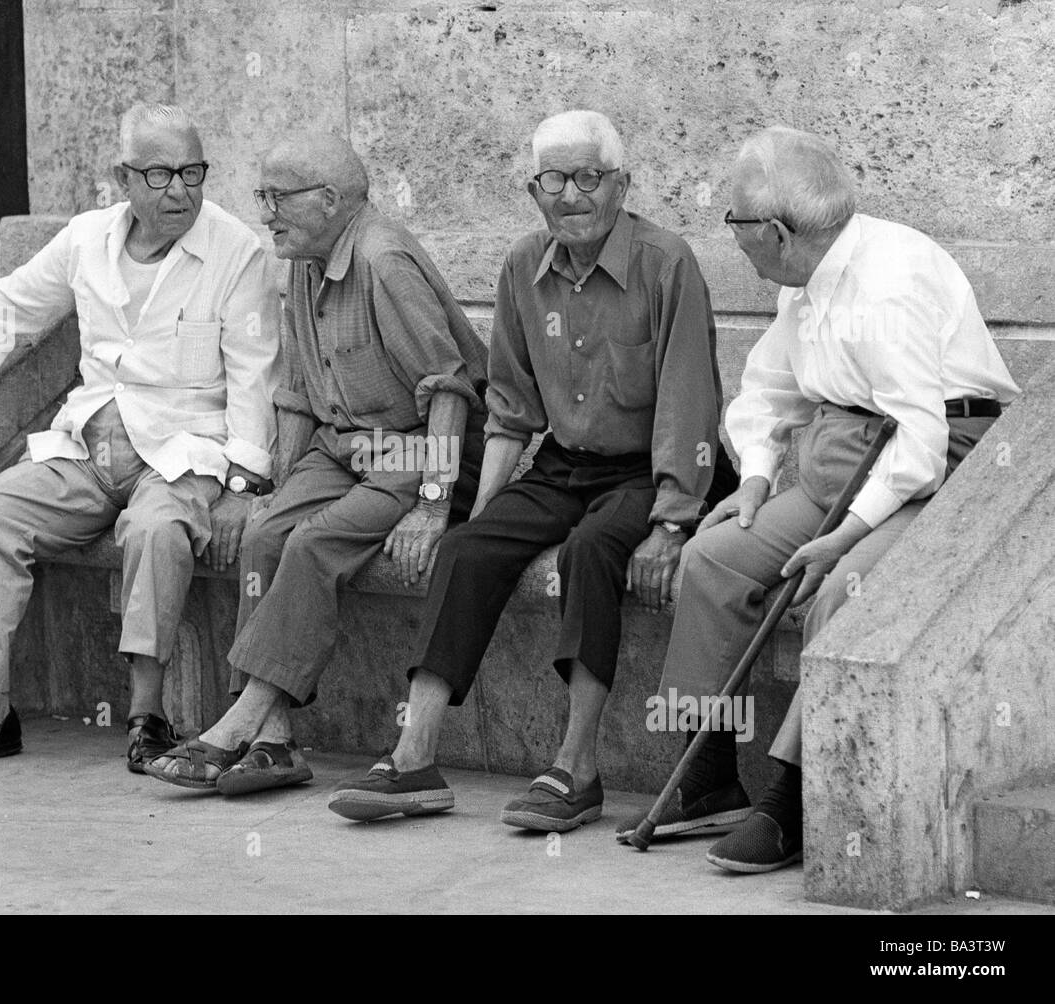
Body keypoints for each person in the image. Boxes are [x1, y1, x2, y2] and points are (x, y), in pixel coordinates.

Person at [616, 125, 1020, 872]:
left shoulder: (886, 285)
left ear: (773, 232)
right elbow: (769, 388)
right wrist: (761, 478)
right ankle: (707, 780)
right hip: (841, 450)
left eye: (734, 221)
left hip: (934, 467)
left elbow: (922, 445)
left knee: (842, 590)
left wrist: (840, 540)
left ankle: (793, 801)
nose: (731, 235)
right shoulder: (806, 276)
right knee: (714, 558)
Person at [330, 110, 735, 830]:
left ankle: (576, 767)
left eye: (590, 177)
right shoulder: (523, 265)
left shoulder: (665, 262)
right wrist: (486, 513)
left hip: (656, 467)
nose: (572, 194)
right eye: (556, 179)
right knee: (466, 547)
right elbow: (512, 411)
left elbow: (688, 405)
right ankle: (414, 756)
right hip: (565, 463)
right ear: (533, 189)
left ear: (622, 185)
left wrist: (674, 521)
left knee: (590, 553)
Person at [0, 103, 279, 772]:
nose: (180, 190)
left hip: (182, 454)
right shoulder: (86, 238)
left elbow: (255, 372)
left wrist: (245, 479)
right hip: (85, 452)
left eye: (193, 172)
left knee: (155, 533)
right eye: (159, 175)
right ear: (121, 177)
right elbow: (10, 303)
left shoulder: (236, 250)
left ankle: (146, 715)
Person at [143, 133, 488, 796]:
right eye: (262, 197)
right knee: (265, 533)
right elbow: (298, 393)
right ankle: (275, 744)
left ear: (329, 200)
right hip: (343, 447)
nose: (266, 212)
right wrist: (270, 488)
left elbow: (448, 388)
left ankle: (240, 722)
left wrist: (435, 504)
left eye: (278, 198)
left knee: (313, 543)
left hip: (418, 450)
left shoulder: (383, 259)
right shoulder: (303, 258)